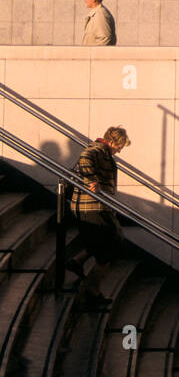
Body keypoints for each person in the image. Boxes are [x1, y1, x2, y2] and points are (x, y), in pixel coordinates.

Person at [66, 125, 130, 309]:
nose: (119, 151)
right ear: (111, 141)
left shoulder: (103, 152)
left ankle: (77, 261)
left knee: (109, 241)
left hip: (98, 208)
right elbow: (84, 159)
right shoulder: (97, 150)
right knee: (106, 252)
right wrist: (92, 180)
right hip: (91, 208)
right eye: (119, 147)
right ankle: (92, 291)